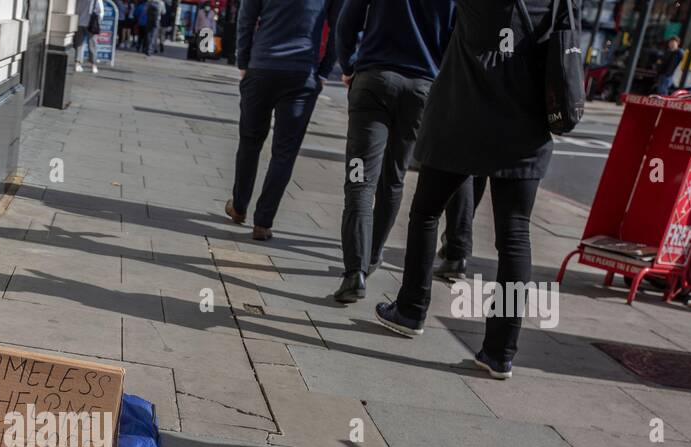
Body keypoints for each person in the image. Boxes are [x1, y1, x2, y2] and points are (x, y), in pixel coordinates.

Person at [373, 0, 570, 380]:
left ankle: (411, 309)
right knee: (514, 236)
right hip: (524, 131)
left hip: (462, 119)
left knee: (426, 212)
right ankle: (500, 352)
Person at [332, 0, 457, 303]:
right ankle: (373, 257)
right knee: (394, 178)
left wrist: (348, 66)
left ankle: (354, 272)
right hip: (422, 91)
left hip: (374, 81)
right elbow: (457, 43)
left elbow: (346, 23)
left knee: (360, 179)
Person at [226, 0, 344, 241]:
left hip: (262, 66)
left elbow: (246, 18)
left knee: (250, 141)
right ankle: (263, 222)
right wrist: (323, 71)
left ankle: (239, 206)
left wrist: (244, 62)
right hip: (302, 73)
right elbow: (339, 27)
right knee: (285, 151)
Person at [74, 0, 103, 73]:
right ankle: (93, 65)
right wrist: (98, 22)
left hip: (79, 22)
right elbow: (100, 12)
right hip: (91, 24)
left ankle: (77, 64)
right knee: (92, 45)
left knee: (79, 44)